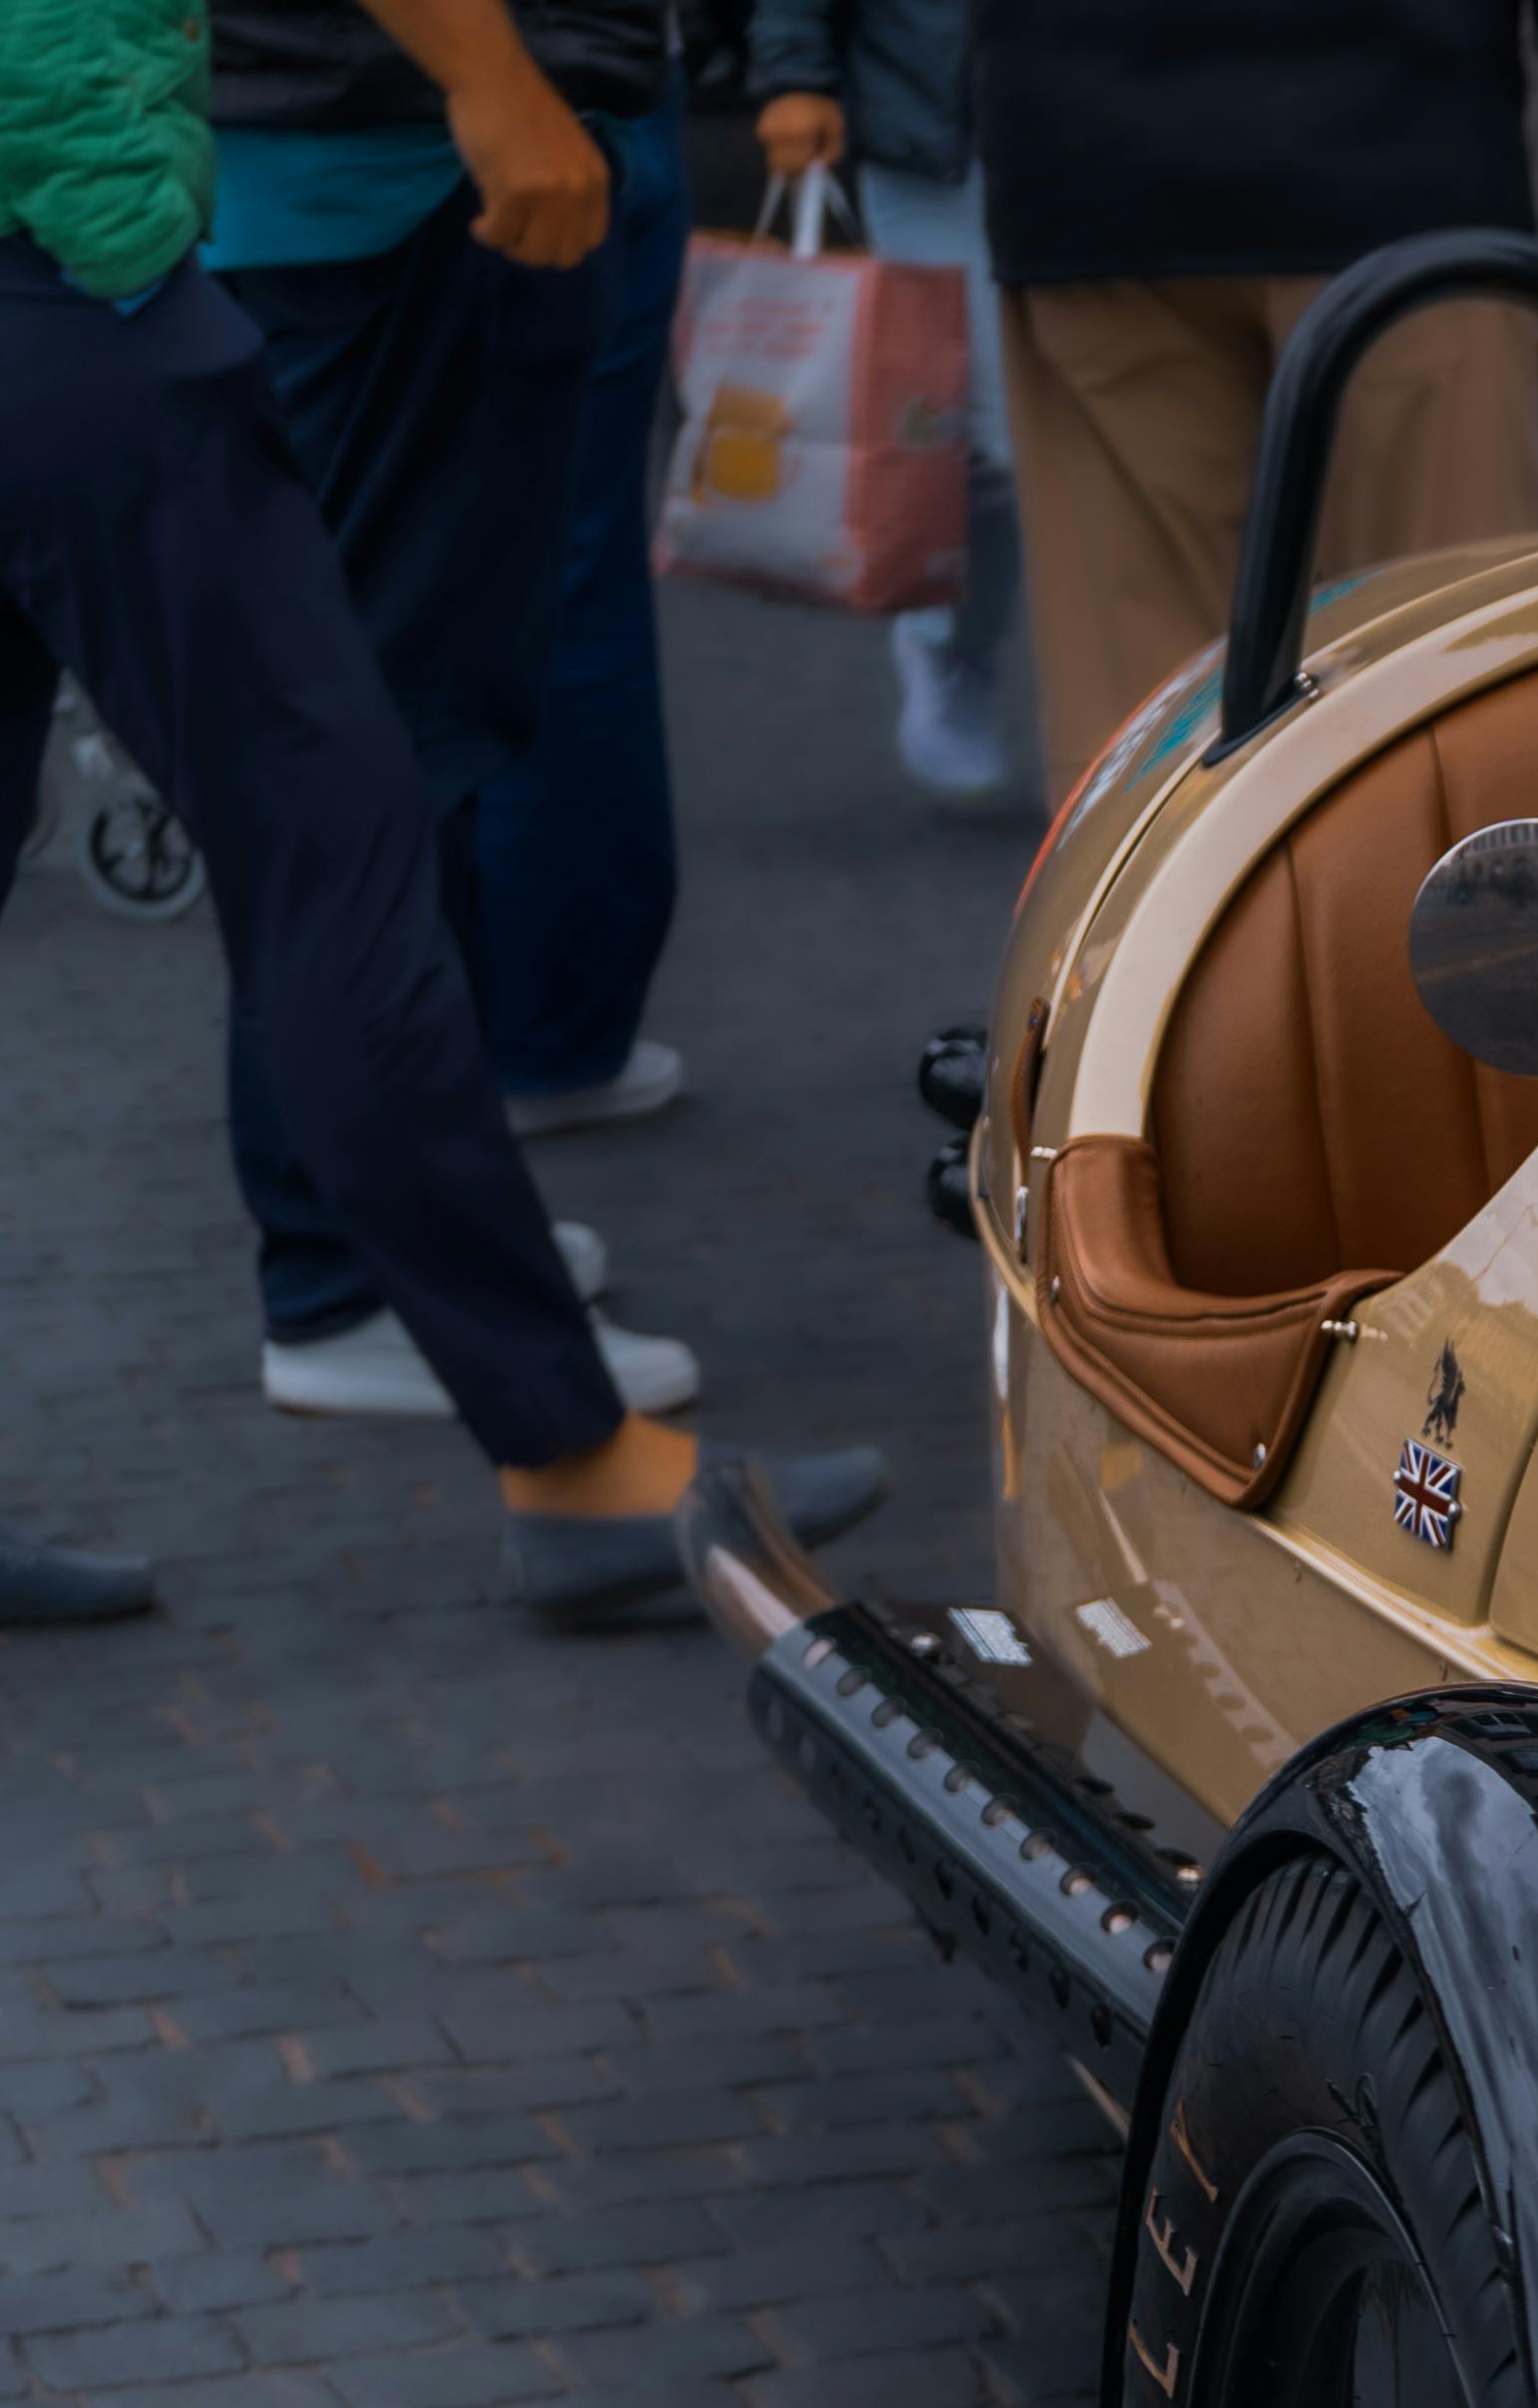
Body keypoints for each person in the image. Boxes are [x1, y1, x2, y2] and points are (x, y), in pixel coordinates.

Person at [3, 0, 889, 1622]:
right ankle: (569, 1458)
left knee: (332, 846)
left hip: (74, 251)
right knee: (338, 853)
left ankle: (538, 1424)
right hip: (69, 260)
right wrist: (489, 75)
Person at [198, 0, 713, 1397]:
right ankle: (360, 1273)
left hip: (383, 157)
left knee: (405, 729)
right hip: (402, 165)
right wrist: (495, 82)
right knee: (378, 741)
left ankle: (409, 1238)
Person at [966, 0, 1538, 794]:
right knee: (1440, 661)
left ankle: (1168, 912)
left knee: (1147, 698)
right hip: (1407, 131)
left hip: (1089, 137)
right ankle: (1436, 901)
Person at [467, 66, 688, 1121]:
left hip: (362, 140)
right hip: (575, 102)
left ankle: (521, 1026)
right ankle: (549, 1025)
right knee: (565, 566)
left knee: (506, 571)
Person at [744, 0, 1025, 804]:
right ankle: (949, 643)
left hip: (1097, 123)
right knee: (988, 438)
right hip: (934, 130)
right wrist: (795, 74)